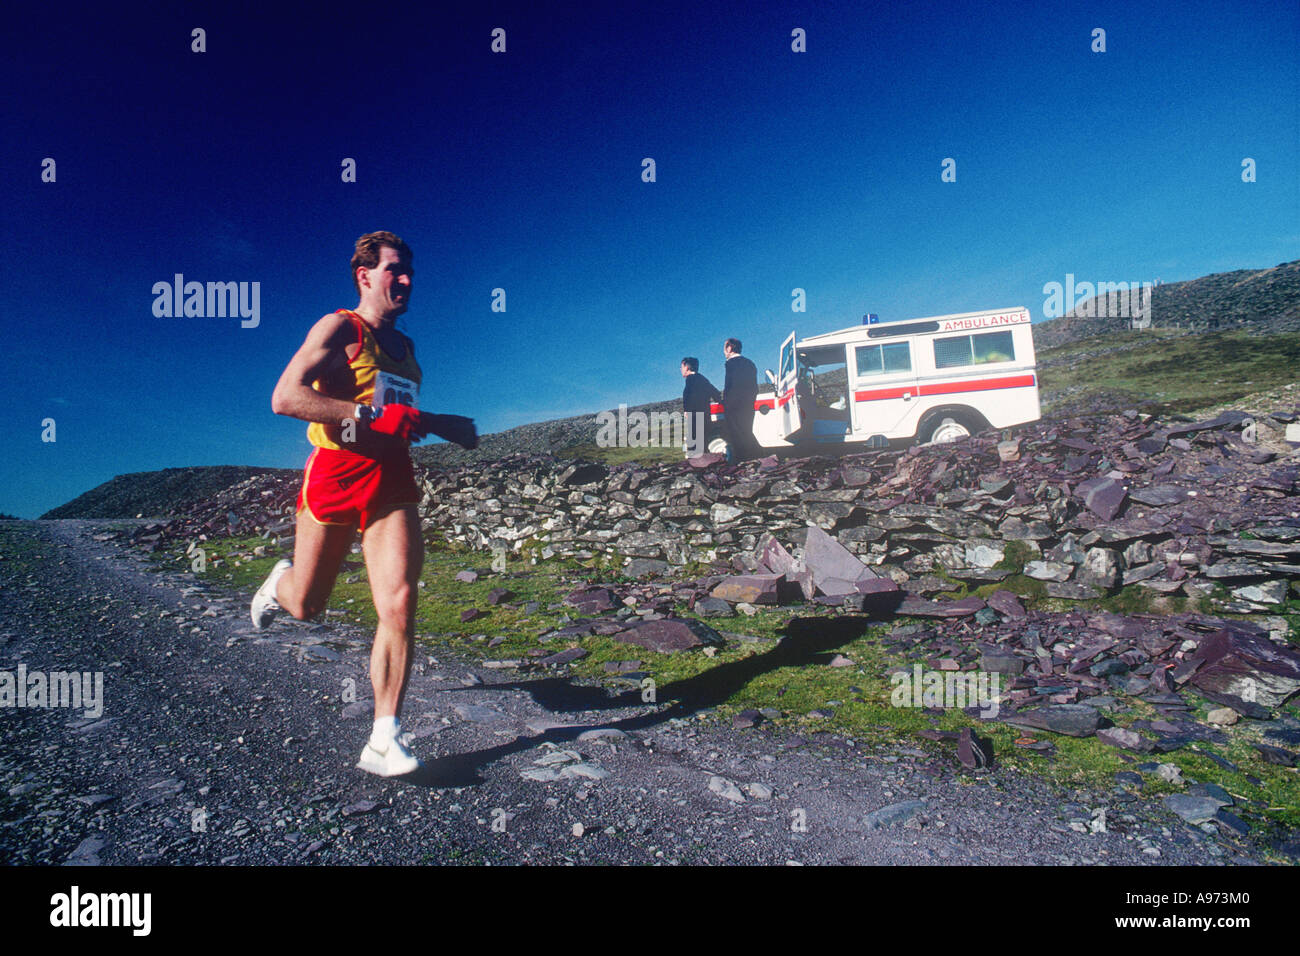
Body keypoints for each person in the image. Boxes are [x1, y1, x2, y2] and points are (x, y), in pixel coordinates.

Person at [250, 230, 477, 777]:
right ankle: (280, 581)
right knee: (307, 606)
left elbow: (400, 412)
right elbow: (286, 397)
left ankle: (383, 737)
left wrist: (441, 425)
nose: (405, 280)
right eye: (394, 270)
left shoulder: (407, 347)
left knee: (398, 602)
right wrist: (369, 418)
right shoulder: (339, 328)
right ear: (365, 276)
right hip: (337, 474)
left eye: (409, 272)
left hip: (392, 479)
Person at [721, 338, 761, 462]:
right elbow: (754, 387)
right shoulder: (750, 363)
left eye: (724, 348)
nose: (724, 352)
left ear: (729, 348)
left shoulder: (731, 363)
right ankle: (757, 458)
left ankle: (742, 461)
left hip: (734, 405)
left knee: (735, 434)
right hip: (749, 404)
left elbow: (730, 386)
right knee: (747, 431)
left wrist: (726, 402)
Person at [680, 356, 721, 458]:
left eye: (681, 367)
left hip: (695, 415)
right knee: (704, 442)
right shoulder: (702, 379)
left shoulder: (690, 380)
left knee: (694, 443)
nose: (680, 369)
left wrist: (687, 411)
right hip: (706, 414)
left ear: (687, 367)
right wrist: (720, 402)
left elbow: (688, 397)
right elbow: (715, 393)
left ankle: (697, 465)